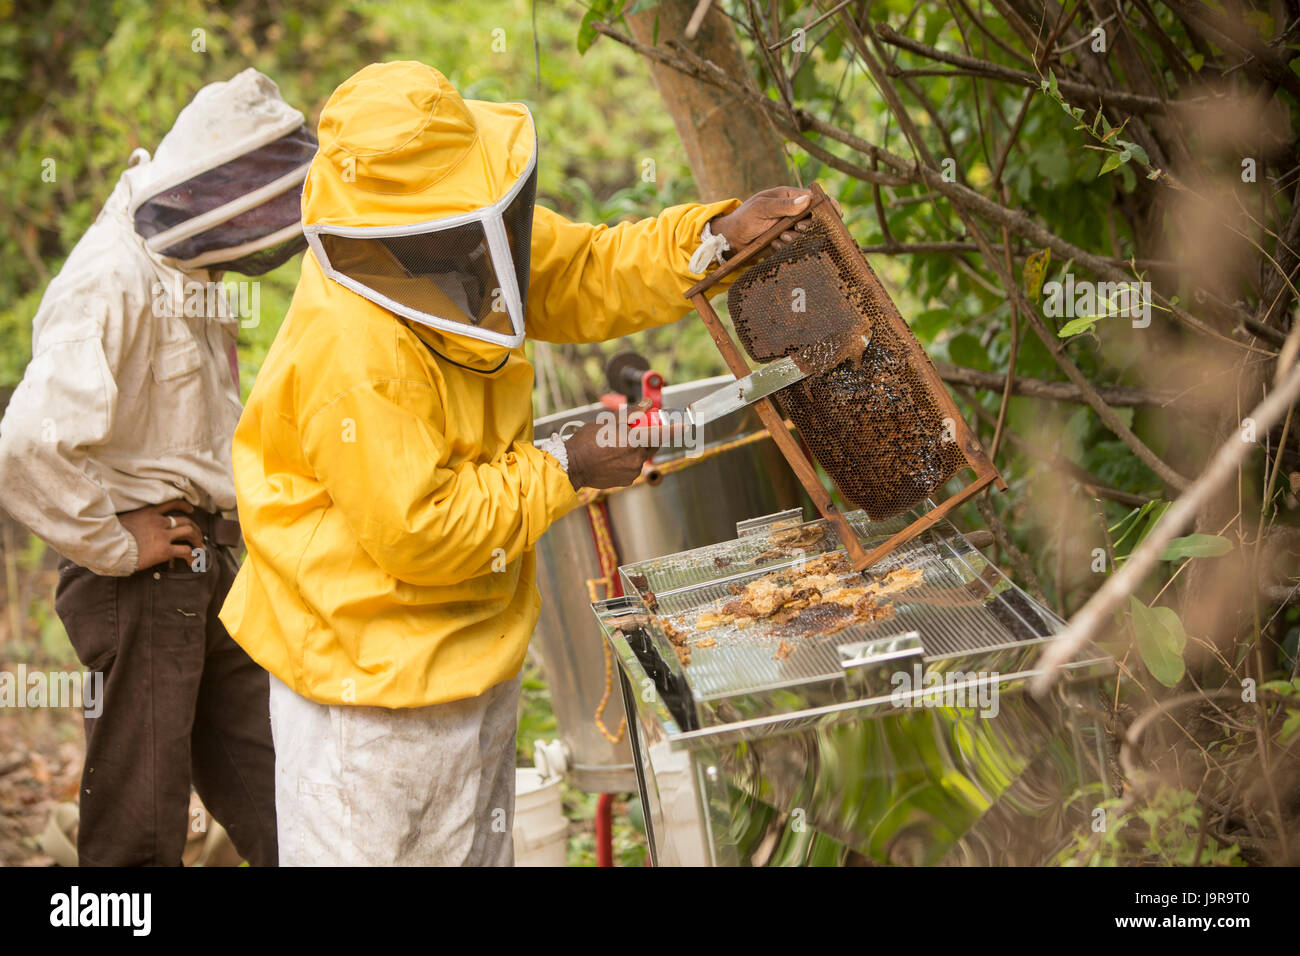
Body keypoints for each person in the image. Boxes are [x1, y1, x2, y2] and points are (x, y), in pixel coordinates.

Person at [219, 60, 814, 865]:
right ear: (395, 229)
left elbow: (581, 269)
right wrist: (565, 465)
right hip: (364, 688)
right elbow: (423, 531)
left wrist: (709, 240)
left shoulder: (463, 238)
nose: (483, 242)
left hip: (471, 648)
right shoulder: (351, 353)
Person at [0, 69, 317, 866]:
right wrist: (116, 542)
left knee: (283, 789)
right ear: (208, 188)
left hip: (204, 563)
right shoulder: (111, 280)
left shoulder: (189, 269)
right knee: (139, 823)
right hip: (142, 581)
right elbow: (26, 446)